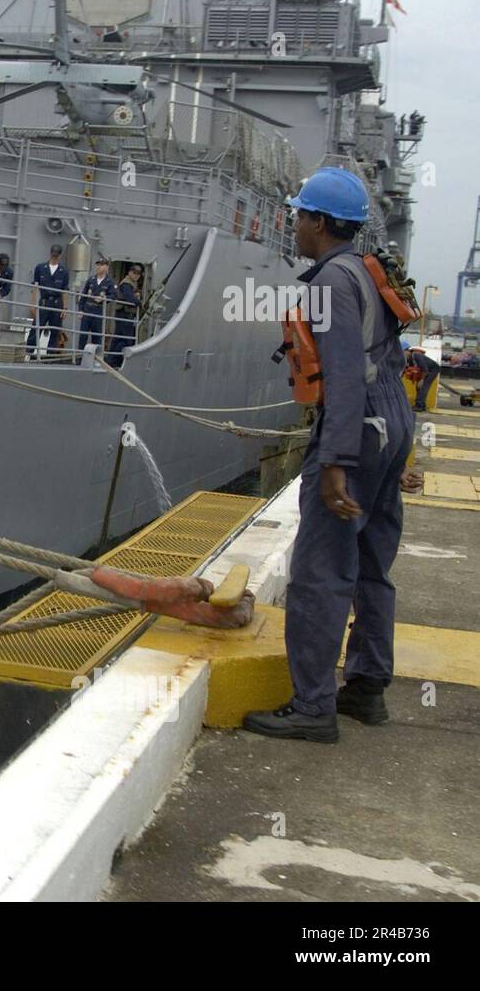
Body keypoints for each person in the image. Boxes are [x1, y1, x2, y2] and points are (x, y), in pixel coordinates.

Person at [243, 167, 413, 742]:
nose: (293, 223)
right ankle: (366, 689)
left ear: (318, 222)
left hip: (356, 429)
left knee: (319, 570)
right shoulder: (367, 272)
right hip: (390, 421)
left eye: (299, 214)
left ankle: (313, 705)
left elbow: (343, 375)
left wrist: (337, 460)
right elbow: (390, 361)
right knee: (371, 562)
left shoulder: (328, 284)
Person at [30, 244, 69, 355]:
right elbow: (35, 287)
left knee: (55, 331)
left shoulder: (64, 271)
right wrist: (32, 304)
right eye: (53, 255)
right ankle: (29, 353)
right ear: (50, 254)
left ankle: (49, 356)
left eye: (56, 256)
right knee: (36, 329)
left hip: (57, 304)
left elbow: (65, 290)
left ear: (59, 256)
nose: (54, 257)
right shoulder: (40, 268)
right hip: (44, 302)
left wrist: (65, 308)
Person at [78, 259, 116, 356]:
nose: (99, 267)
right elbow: (84, 295)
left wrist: (104, 298)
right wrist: (80, 310)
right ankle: (79, 357)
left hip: (98, 311)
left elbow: (113, 295)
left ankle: (95, 358)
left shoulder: (109, 282)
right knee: (83, 335)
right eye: (98, 265)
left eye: (102, 265)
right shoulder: (91, 280)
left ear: (107, 267)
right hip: (87, 310)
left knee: (97, 337)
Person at [107, 264, 142, 367]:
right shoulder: (127, 284)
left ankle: (111, 360)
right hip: (124, 315)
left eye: (138, 274)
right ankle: (116, 361)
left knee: (118, 338)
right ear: (129, 272)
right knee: (127, 340)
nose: (136, 275)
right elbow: (129, 297)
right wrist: (140, 303)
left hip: (124, 314)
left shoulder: (131, 284)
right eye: (134, 273)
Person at [402, 340, 439, 412]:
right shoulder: (408, 359)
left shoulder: (417, 355)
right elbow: (405, 369)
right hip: (424, 371)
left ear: (407, 351)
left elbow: (425, 369)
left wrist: (421, 380)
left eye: (402, 352)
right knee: (418, 387)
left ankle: (419, 406)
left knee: (424, 387)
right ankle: (422, 405)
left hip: (432, 370)